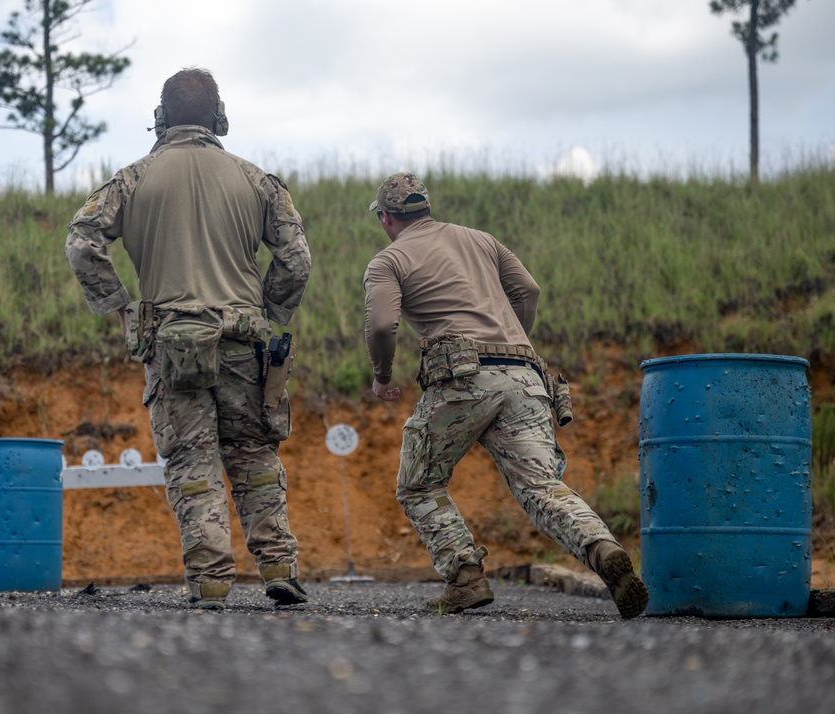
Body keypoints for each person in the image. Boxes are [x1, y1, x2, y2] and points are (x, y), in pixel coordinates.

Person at [66, 67, 311, 611]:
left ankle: (211, 582)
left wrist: (119, 306)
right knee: (254, 456)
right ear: (220, 118)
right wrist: (267, 308)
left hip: (172, 345)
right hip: (244, 342)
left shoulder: (131, 180)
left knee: (192, 462)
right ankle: (279, 569)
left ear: (160, 119)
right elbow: (296, 258)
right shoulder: (258, 181)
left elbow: (82, 242)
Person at [363, 172, 648, 618]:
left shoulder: (389, 260)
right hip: (526, 378)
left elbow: (382, 326)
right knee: (540, 485)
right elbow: (528, 290)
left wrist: (381, 376)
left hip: (462, 382)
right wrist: (513, 345)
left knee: (418, 484)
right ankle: (602, 549)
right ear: (425, 208)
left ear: (386, 218)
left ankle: (465, 578)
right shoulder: (482, 240)